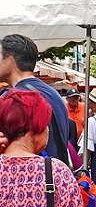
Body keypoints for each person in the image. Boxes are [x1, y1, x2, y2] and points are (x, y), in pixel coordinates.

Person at [0, 34, 70, 163]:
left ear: (10, 59)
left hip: (25, 178)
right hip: (54, 176)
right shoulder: (55, 95)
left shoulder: (13, 100)